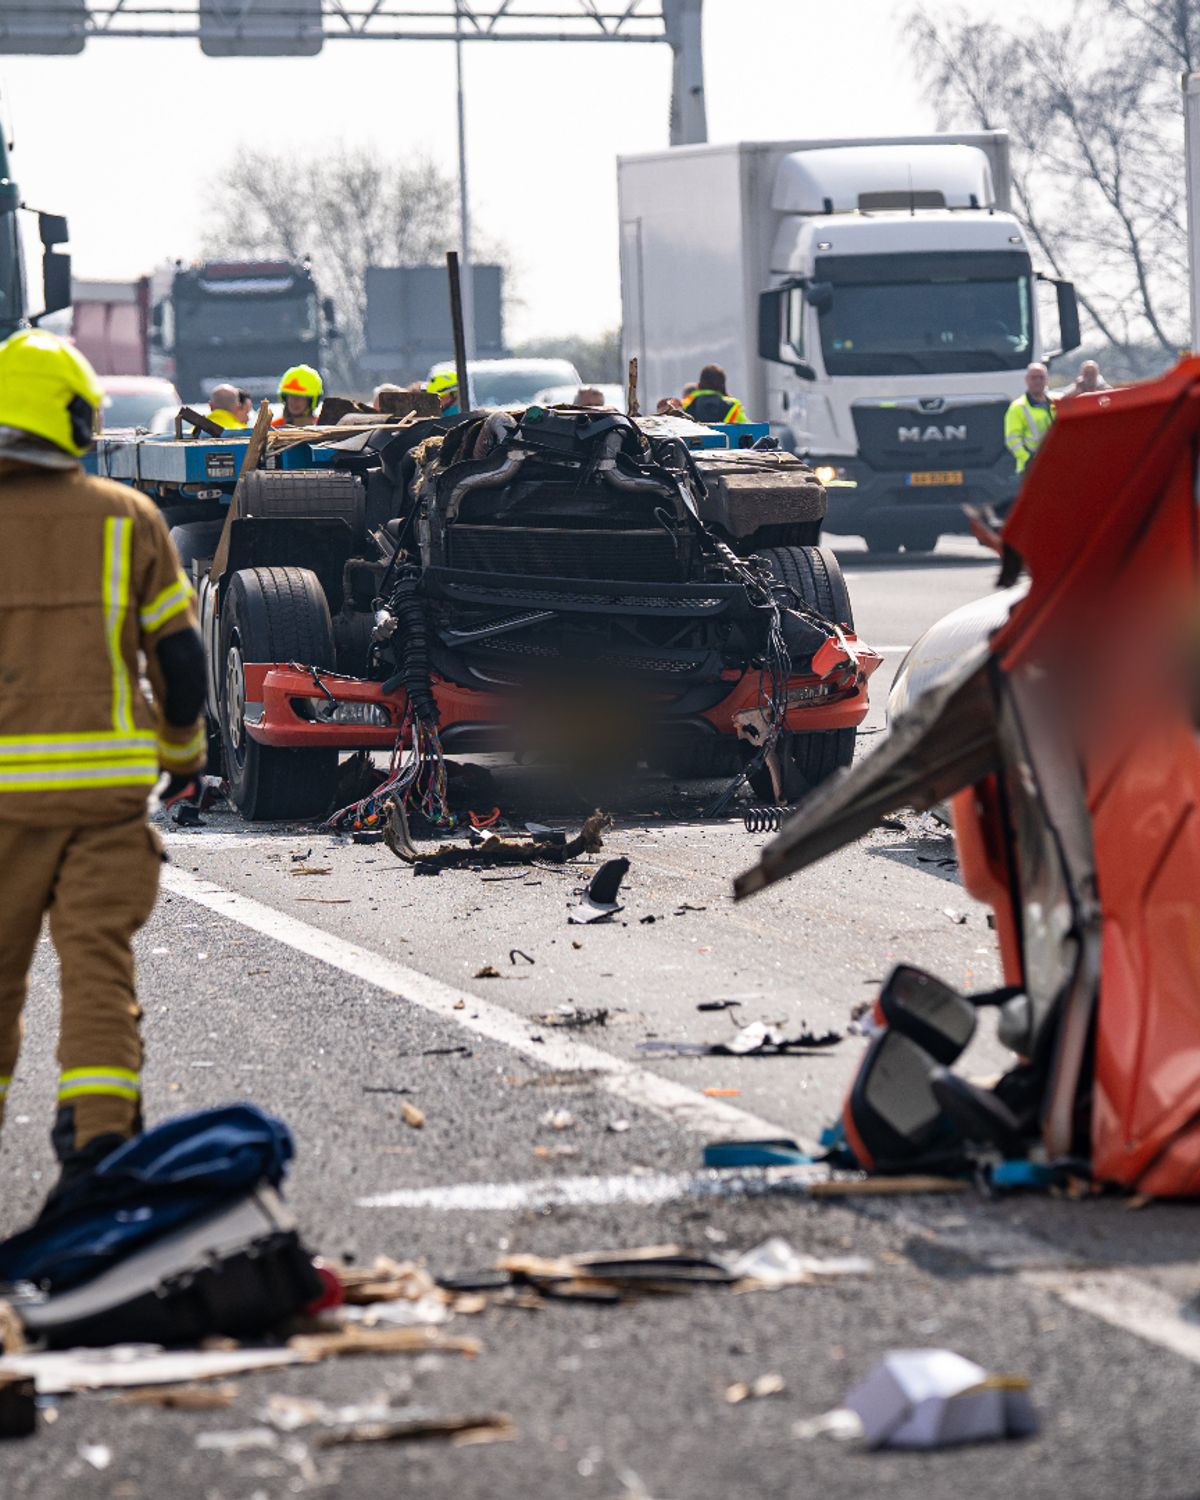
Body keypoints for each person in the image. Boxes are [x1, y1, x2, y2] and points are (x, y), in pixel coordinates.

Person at [0, 330, 207, 1199]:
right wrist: (183, 754)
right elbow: (183, 660)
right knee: (96, 971)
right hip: (106, 801)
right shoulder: (129, 517)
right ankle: (98, 1146)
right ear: (78, 418)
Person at [1004, 362, 1056, 475]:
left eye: (1041, 377)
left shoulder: (1055, 403)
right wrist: (1028, 459)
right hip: (1030, 469)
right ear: (1026, 380)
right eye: (1034, 378)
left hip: (1054, 465)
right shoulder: (1017, 407)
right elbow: (1012, 439)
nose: (1037, 381)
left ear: (1047, 380)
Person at [682, 365, 747, 424]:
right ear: (722, 385)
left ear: (700, 383)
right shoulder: (732, 406)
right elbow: (750, 430)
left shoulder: (686, 404)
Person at [273, 364, 323, 428]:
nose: (294, 401)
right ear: (285, 398)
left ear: (311, 401)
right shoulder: (273, 428)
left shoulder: (323, 427)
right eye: (291, 395)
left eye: (300, 397)